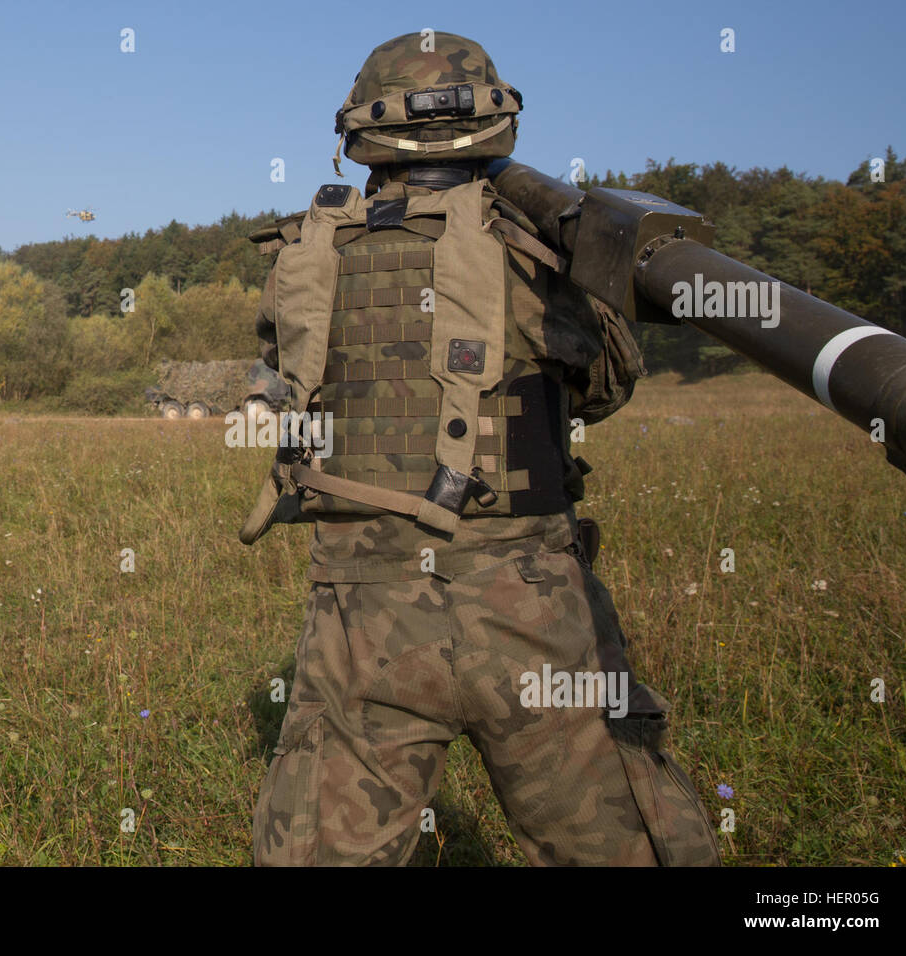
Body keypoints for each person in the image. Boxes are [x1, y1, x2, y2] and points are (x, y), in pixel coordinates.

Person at [239, 31, 721, 866]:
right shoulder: (536, 258)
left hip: (362, 615)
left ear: (361, 134)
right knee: (618, 845)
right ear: (495, 126)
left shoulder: (304, 259)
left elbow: (287, 385)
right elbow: (604, 388)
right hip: (532, 611)